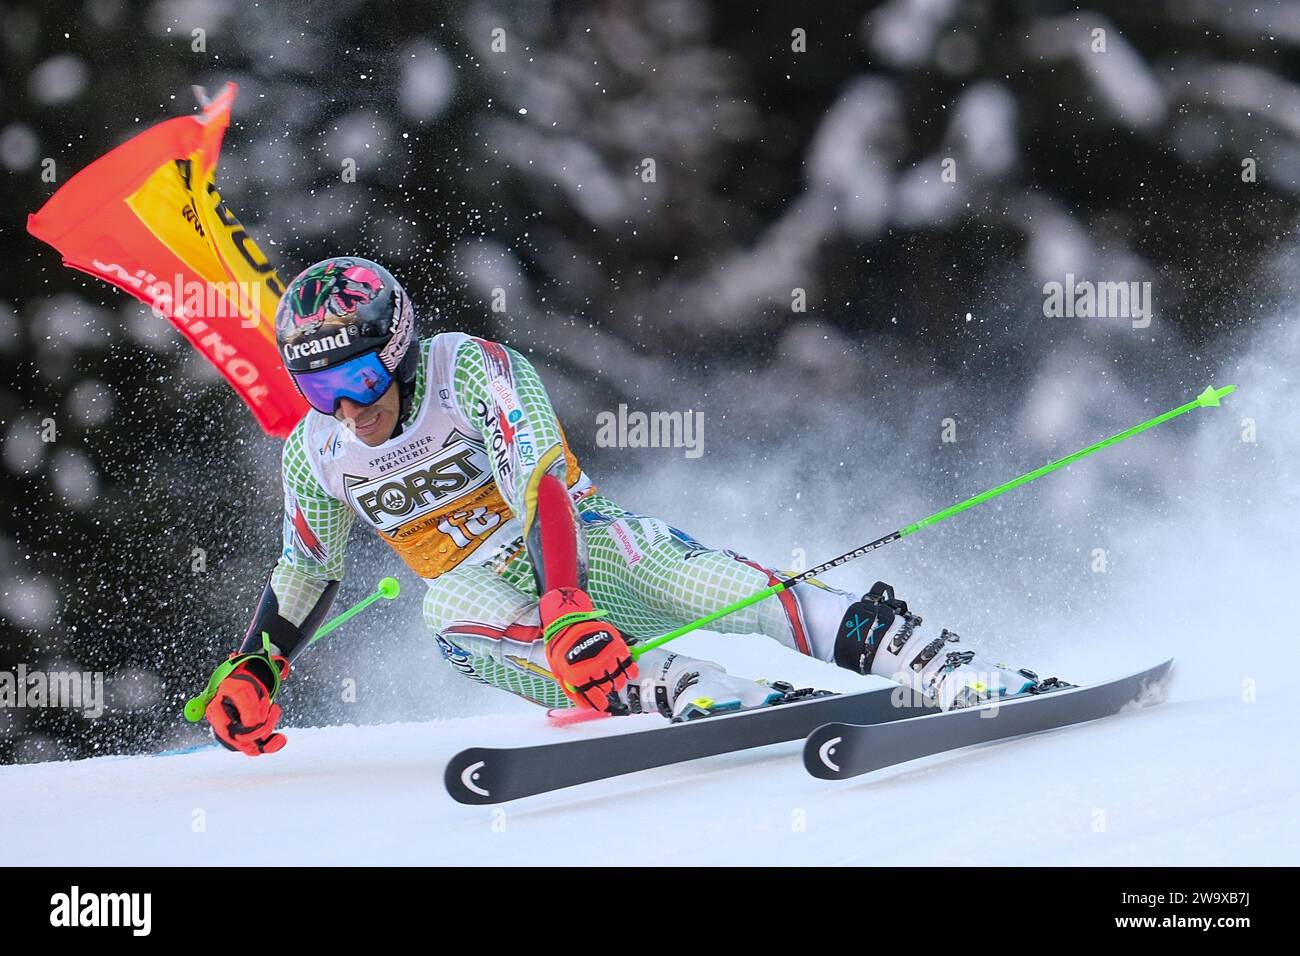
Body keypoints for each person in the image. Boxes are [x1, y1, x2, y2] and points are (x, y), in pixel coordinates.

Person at [203, 256, 1064, 756]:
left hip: (584, 552)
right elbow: (306, 566)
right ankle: (686, 690)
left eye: (356, 377)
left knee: (728, 593)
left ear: (396, 346)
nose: (348, 407)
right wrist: (258, 667)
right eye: (317, 387)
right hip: (498, 600)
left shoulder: (469, 371)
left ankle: (932, 661)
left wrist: (569, 604)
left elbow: (543, 488)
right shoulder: (317, 450)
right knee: (447, 612)